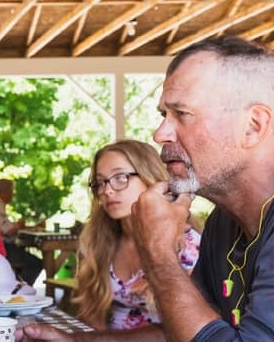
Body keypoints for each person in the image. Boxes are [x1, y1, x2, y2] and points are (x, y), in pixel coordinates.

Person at [19, 36, 274, 342]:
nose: (160, 133)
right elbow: (193, 339)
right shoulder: (226, 219)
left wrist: (158, 253)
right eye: (163, 114)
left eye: (181, 114)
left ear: (253, 125)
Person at [71, 141, 200, 329]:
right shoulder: (99, 241)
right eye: (100, 182)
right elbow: (92, 314)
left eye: (120, 177)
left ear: (151, 178)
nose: (107, 190)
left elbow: (193, 327)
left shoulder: (187, 244)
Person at [0, 178, 43, 284]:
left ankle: (17, 284)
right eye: (11, 191)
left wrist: (29, 226)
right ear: (5, 191)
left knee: (28, 259)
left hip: (0, 247)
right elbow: (8, 231)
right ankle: (19, 287)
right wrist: (19, 225)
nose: (13, 194)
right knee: (36, 263)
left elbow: (6, 226)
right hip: (2, 248)